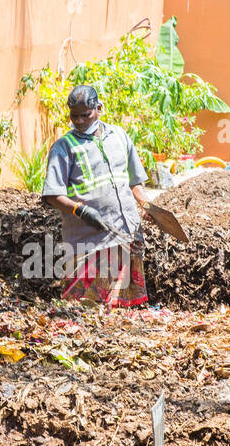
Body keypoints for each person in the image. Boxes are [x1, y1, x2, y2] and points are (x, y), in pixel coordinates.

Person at [40, 85, 159, 307]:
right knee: (85, 306)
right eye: (74, 116)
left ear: (99, 108)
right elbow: (52, 195)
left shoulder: (120, 136)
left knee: (123, 303)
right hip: (89, 238)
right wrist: (80, 210)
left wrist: (146, 204)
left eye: (86, 115)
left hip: (126, 230)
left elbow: (135, 181)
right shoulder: (64, 147)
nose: (80, 121)